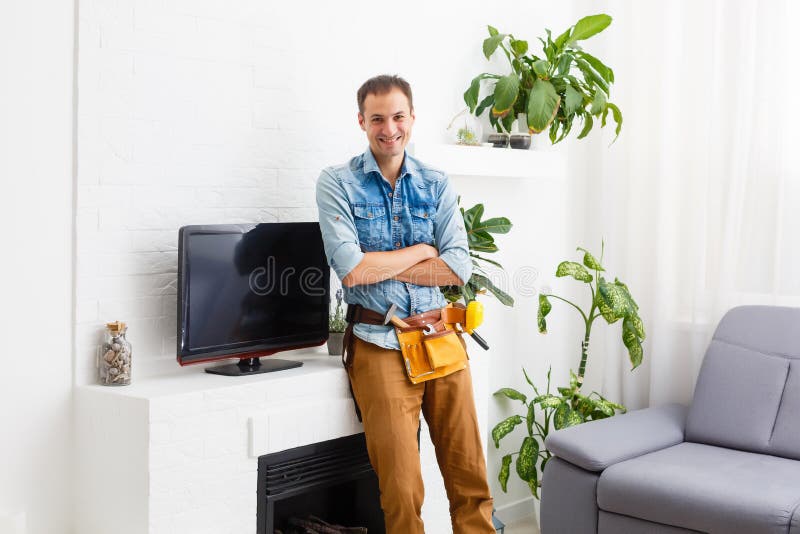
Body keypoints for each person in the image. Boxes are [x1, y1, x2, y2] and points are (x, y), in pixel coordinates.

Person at [315, 74, 495, 534]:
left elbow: (457, 269)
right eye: (377, 118)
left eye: (398, 116)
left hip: (440, 339)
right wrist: (420, 251)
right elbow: (351, 270)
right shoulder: (337, 183)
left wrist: (380, 263)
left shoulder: (434, 183)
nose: (388, 128)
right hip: (378, 341)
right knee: (402, 489)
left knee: (470, 480)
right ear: (361, 121)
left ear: (412, 119)